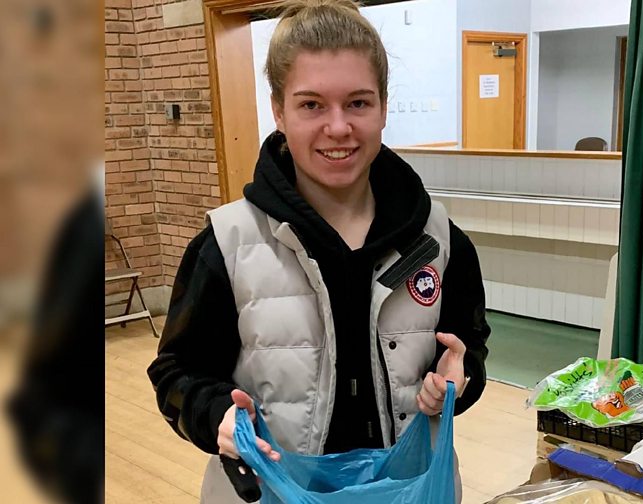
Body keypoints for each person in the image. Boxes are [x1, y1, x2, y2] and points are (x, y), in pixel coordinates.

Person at [146, 0, 490, 502]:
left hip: (409, 489)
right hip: (270, 490)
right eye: (311, 105)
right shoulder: (228, 243)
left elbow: (468, 345)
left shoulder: (437, 238)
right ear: (278, 111)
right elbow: (176, 372)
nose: (338, 127)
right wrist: (216, 413)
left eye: (358, 103)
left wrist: (461, 377)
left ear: (383, 107)